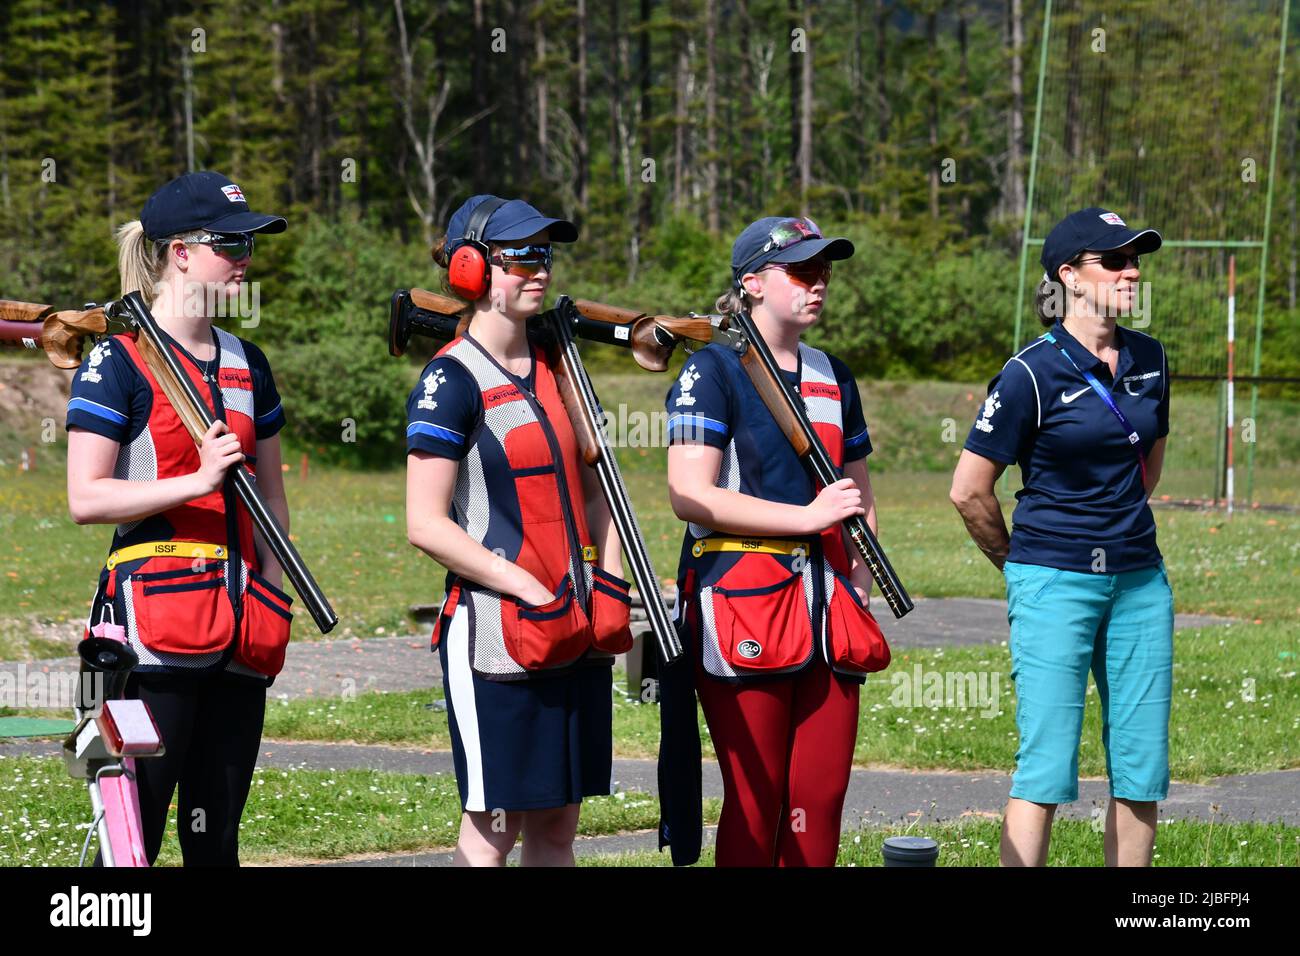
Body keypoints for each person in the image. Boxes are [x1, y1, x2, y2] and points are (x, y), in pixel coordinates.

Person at [65, 171, 292, 865]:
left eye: (248, 241)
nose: (244, 256)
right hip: (149, 641)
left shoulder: (248, 363)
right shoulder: (118, 360)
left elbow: (273, 500)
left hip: (237, 632)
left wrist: (273, 596)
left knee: (215, 840)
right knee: (130, 843)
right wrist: (194, 480)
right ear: (179, 253)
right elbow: (87, 497)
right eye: (228, 242)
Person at [405, 194, 633, 867]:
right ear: (473, 269)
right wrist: (523, 586)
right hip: (495, 636)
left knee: (559, 825)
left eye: (547, 254)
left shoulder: (559, 369)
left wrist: (612, 580)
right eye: (522, 256)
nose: (541, 270)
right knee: (494, 830)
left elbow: (600, 491)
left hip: (575, 624)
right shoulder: (450, 378)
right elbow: (425, 521)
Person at [662, 215, 888, 867]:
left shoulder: (834, 375)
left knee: (818, 804)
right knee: (756, 808)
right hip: (744, 600)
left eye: (825, 271)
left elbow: (859, 497)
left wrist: (860, 589)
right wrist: (808, 520)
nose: (819, 284)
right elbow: (691, 493)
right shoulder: (712, 369)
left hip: (829, 609)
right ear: (753, 283)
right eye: (802, 271)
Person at [949, 206, 1172, 867]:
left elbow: (1146, 464)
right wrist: (1020, 566)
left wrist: (1115, 523)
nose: (1132, 271)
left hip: (1139, 582)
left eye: (1137, 259)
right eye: (1116, 260)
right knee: (1046, 765)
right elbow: (968, 489)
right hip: (1053, 578)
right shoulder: (1028, 375)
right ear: (1069, 275)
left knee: (1142, 765)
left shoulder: (1151, 358)